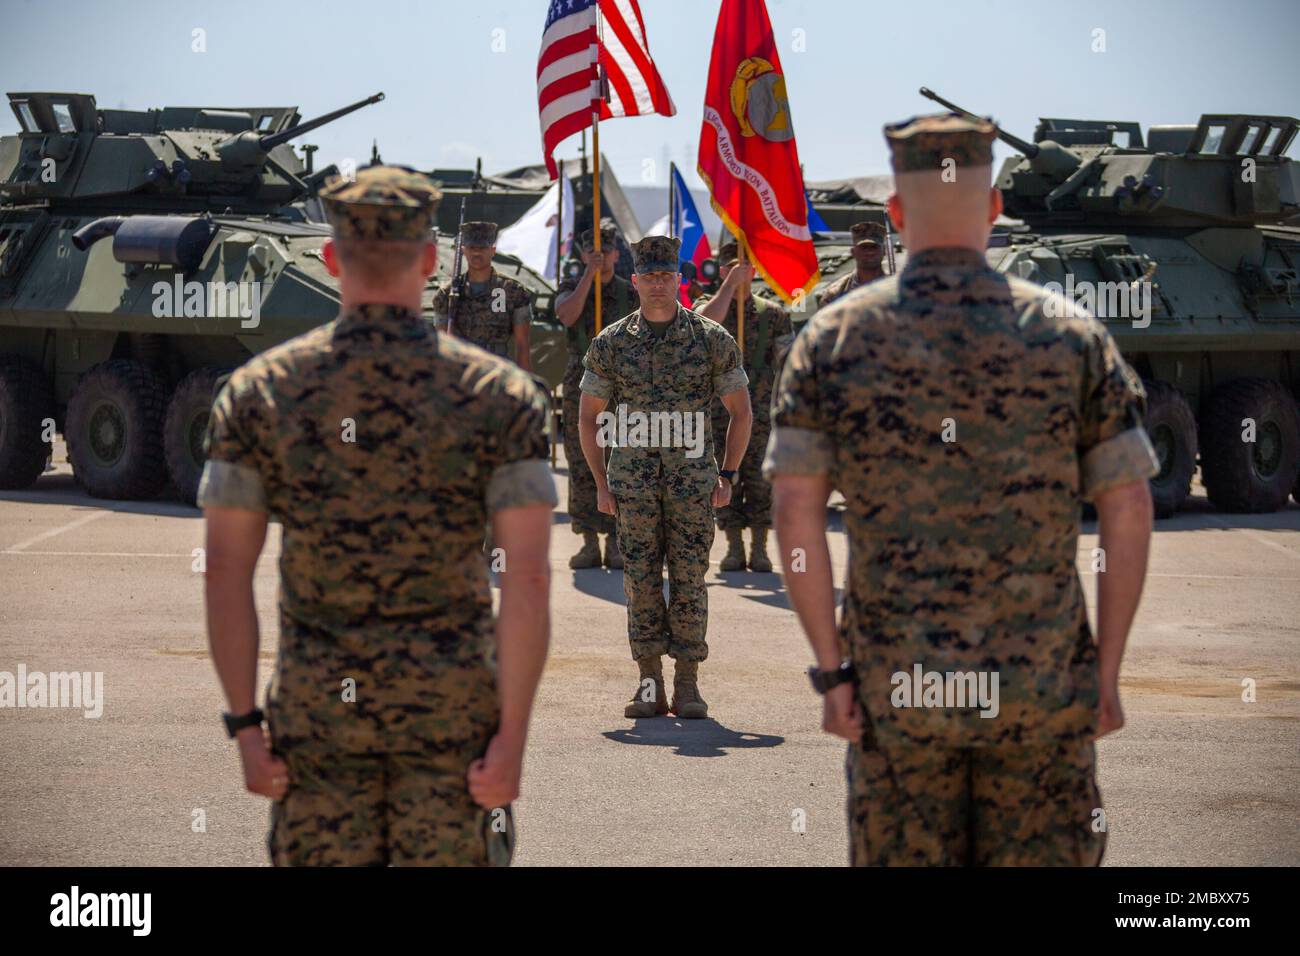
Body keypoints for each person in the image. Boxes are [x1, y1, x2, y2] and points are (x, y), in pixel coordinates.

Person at [766, 114, 1157, 866]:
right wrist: (1103, 671)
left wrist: (832, 671)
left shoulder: (835, 339)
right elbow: (1128, 507)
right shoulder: (1070, 336)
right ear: (995, 209)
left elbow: (794, 512)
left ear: (896, 215)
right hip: (1040, 689)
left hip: (899, 691)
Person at [201, 166, 556, 866]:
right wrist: (511, 741)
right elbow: (528, 582)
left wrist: (245, 726)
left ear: (330, 259)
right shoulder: (499, 395)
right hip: (451, 730)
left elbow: (223, 572)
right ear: (430, 261)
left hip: (317, 728)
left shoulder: (258, 392)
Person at [578, 235, 752, 719]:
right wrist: (599, 481)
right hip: (631, 486)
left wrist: (729, 473)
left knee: (691, 578)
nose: (657, 285)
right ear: (635, 282)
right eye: (649, 277)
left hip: (692, 484)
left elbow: (741, 411)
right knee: (640, 580)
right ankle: (649, 681)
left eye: (666, 276)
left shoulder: (710, 339)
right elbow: (588, 417)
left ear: (679, 280)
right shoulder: (611, 343)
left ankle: (688, 683)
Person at [695, 239, 794, 572]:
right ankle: (734, 547)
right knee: (725, 478)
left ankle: (760, 547)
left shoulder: (774, 314)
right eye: (730, 266)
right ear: (722, 270)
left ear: (755, 270)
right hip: (721, 413)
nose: (738, 271)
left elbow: (790, 361)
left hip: (761, 413)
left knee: (761, 480)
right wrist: (729, 287)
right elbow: (702, 328)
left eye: (744, 266)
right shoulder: (709, 304)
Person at [555, 219, 638, 569]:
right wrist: (588, 276)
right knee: (581, 459)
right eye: (591, 252)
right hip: (582, 378)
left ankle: (617, 540)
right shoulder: (572, 286)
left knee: (621, 457)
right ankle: (588, 539)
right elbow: (566, 316)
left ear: (617, 254)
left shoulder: (630, 292)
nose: (599, 257)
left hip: (622, 382)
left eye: (605, 252)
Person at [430, 221, 534, 370]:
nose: (477, 252)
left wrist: (526, 385)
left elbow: (522, 345)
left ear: (492, 251)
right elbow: (441, 344)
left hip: (499, 371)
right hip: (462, 372)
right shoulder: (446, 295)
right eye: (472, 247)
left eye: (483, 248)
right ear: (463, 250)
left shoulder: (514, 292)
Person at [817, 221, 887, 308]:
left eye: (874, 247)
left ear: (884, 251)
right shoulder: (835, 294)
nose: (869, 252)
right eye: (864, 247)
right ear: (853, 252)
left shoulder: (899, 290)